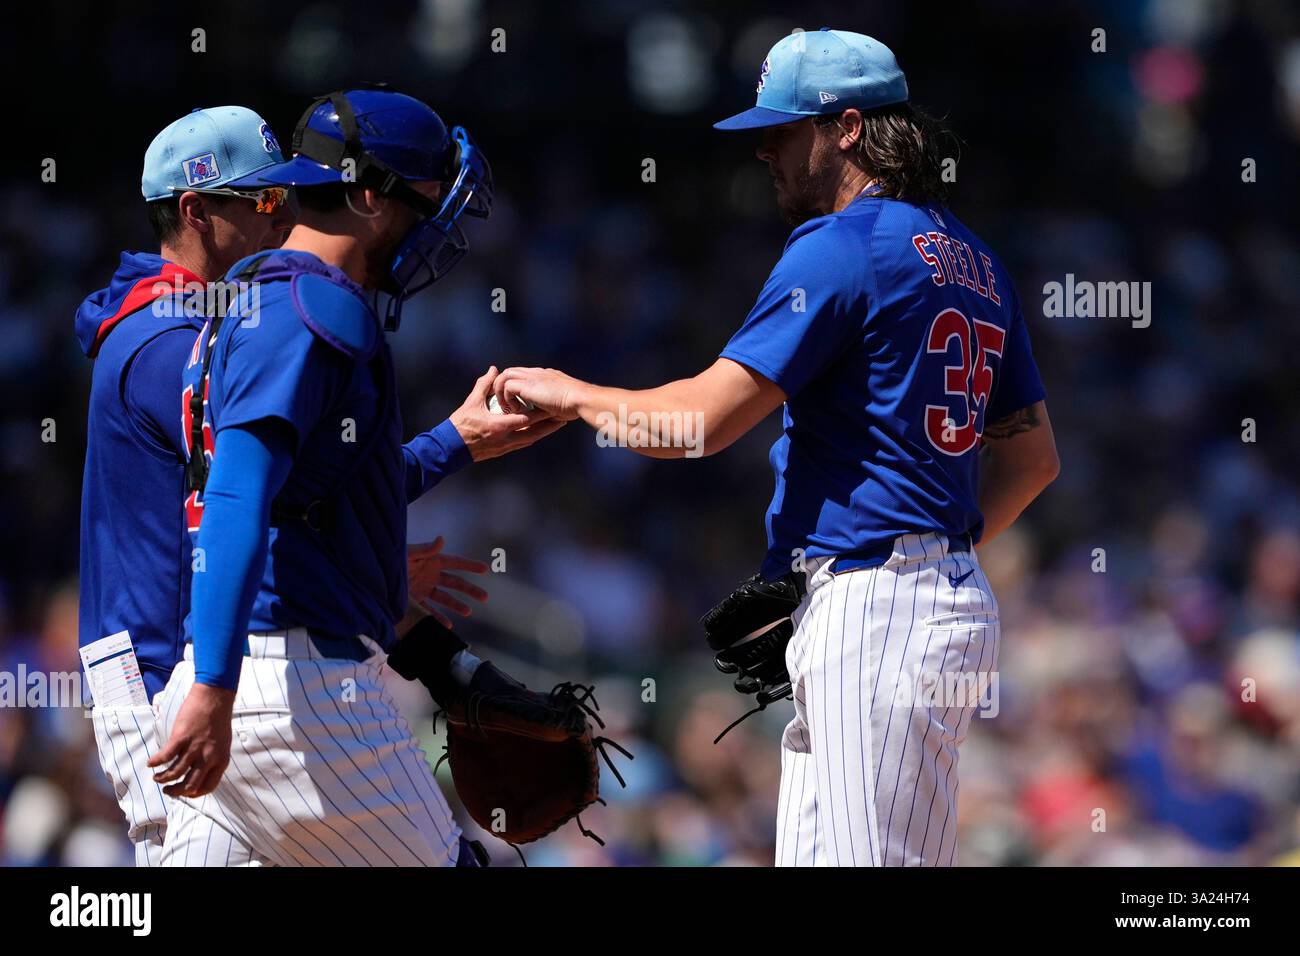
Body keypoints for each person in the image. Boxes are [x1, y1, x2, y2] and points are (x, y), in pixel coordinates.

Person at [491, 30, 1060, 866]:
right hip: (907, 596)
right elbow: (1033, 458)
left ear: (849, 129)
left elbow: (701, 423)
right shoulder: (974, 260)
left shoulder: (842, 246)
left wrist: (575, 396)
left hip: (877, 604)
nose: (763, 149)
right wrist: (940, 559)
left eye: (783, 130)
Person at [148, 89, 564, 866]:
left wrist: (455, 443)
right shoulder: (315, 306)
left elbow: (316, 489)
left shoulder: (262, 299)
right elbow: (240, 492)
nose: (436, 225)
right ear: (371, 195)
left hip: (247, 681)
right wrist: (215, 682)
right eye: (428, 200)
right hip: (295, 689)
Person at [76, 106, 294, 866]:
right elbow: (291, 486)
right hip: (161, 664)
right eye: (263, 201)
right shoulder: (167, 340)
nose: (284, 219)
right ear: (196, 210)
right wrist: (450, 447)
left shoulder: (181, 322)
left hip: (163, 660)